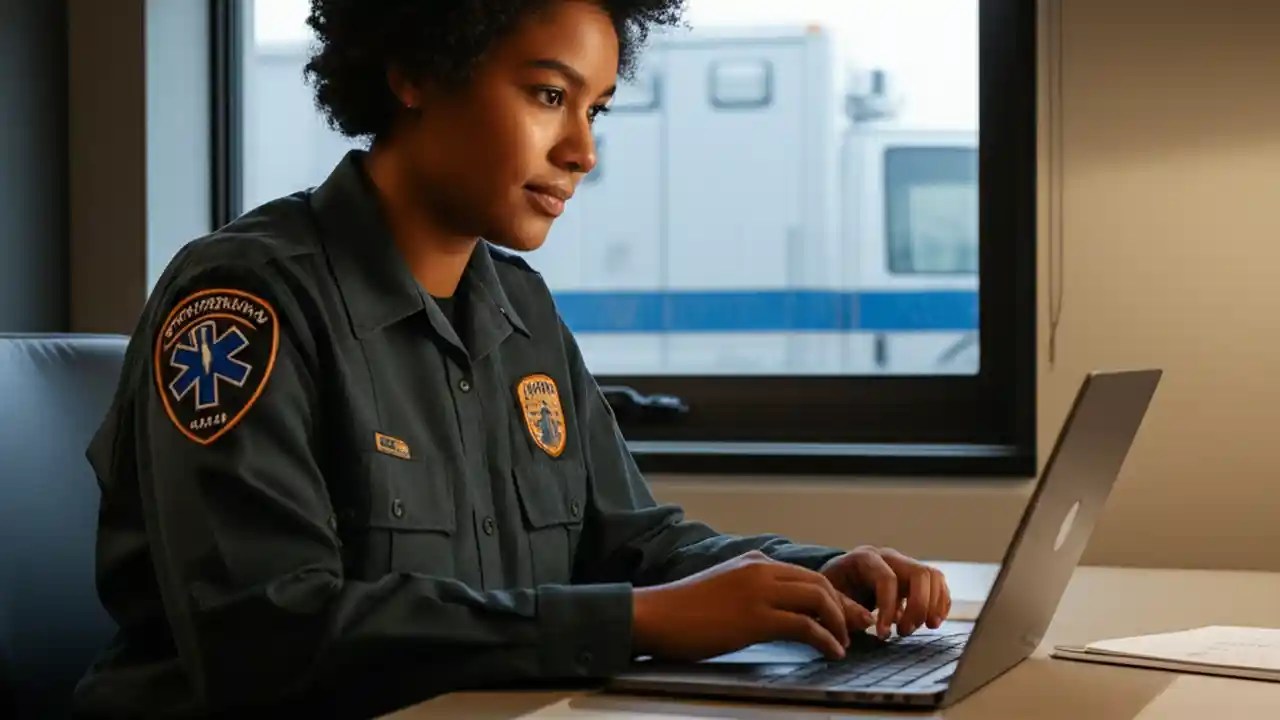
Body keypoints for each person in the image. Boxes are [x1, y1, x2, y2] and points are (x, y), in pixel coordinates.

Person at [73, 0, 952, 717]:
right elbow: (264, 635)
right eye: (546, 96)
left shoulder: (519, 305)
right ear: (415, 71)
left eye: (594, 108)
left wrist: (810, 573)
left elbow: (628, 542)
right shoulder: (245, 301)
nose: (582, 151)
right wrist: (637, 621)